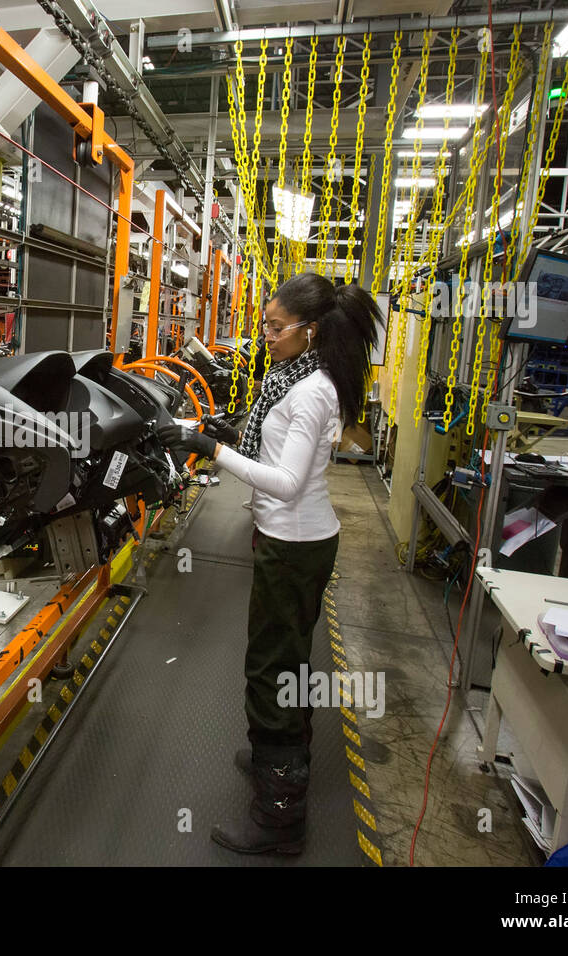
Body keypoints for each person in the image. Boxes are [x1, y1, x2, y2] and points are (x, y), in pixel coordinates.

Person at [158, 273, 381, 855]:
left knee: (270, 670)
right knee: (284, 659)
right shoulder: (296, 377)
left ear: (309, 331)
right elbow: (277, 451)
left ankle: (280, 815)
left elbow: (284, 483)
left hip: (295, 543)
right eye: (266, 323)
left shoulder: (310, 391)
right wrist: (225, 433)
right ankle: (273, 757)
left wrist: (212, 450)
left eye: (277, 327)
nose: (267, 335)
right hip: (292, 540)